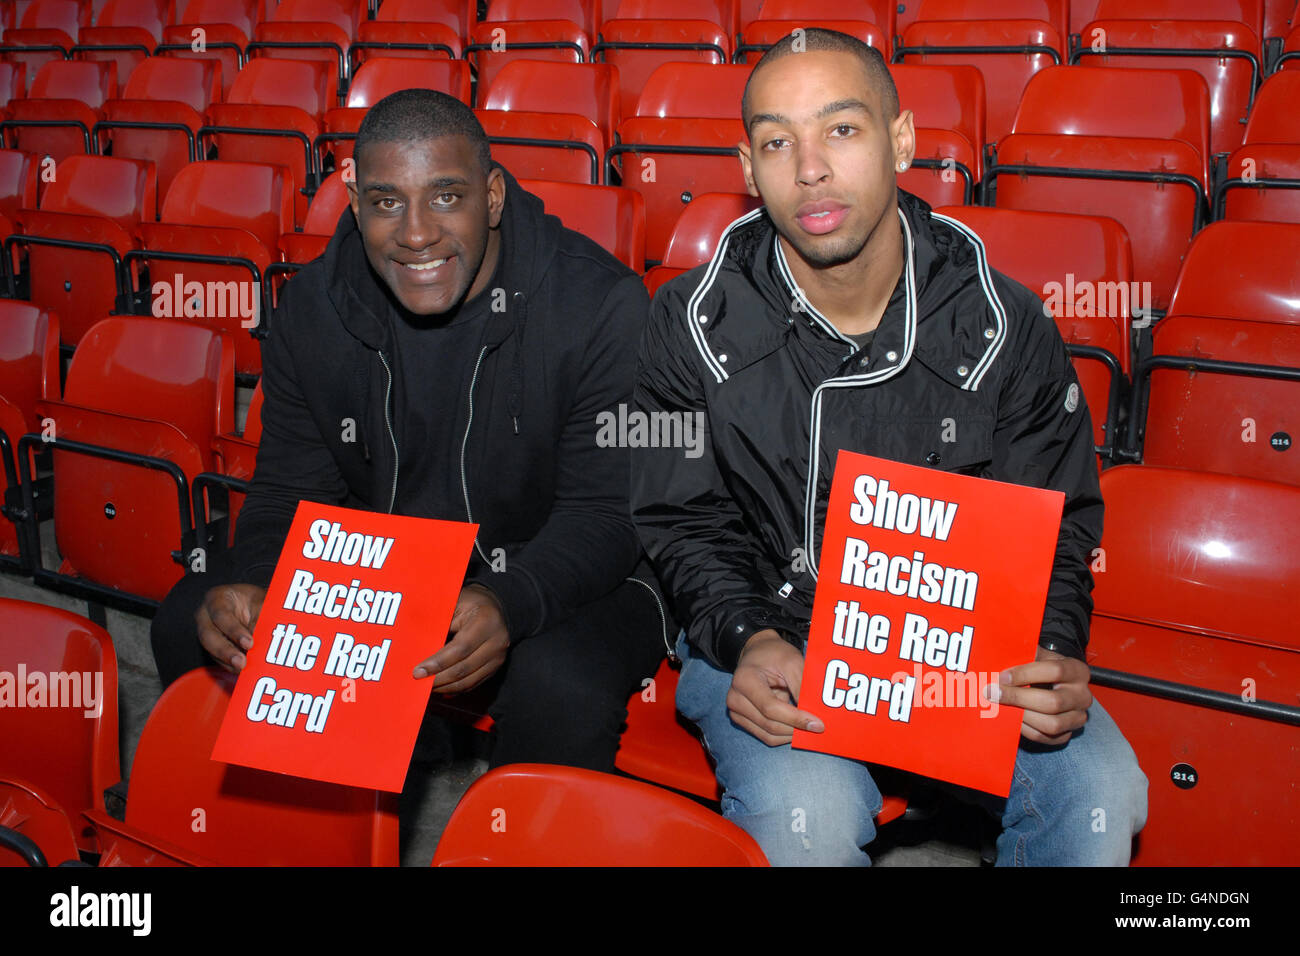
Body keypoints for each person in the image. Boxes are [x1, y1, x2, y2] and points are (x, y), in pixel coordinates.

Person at [631, 29, 1147, 865]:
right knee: (809, 817)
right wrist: (745, 637)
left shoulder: (1005, 323)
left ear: (902, 140)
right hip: (770, 638)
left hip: (960, 652)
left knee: (1101, 791)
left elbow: (1055, 525)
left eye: (842, 129)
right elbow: (679, 519)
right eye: (776, 141)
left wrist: (1049, 652)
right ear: (746, 163)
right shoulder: (687, 320)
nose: (809, 169)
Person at [151, 89, 670, 773]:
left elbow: (607, 515)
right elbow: (287, 487)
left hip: (564, 559)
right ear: (355, 199)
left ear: (490, 197)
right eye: (387, 201)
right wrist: (258, 581)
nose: (417, 233)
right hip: (391, 563)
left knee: (558, 686)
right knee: (194, 619)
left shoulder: (599, 304)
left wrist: (507, 600)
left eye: (446, 197)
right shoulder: (312, 306)